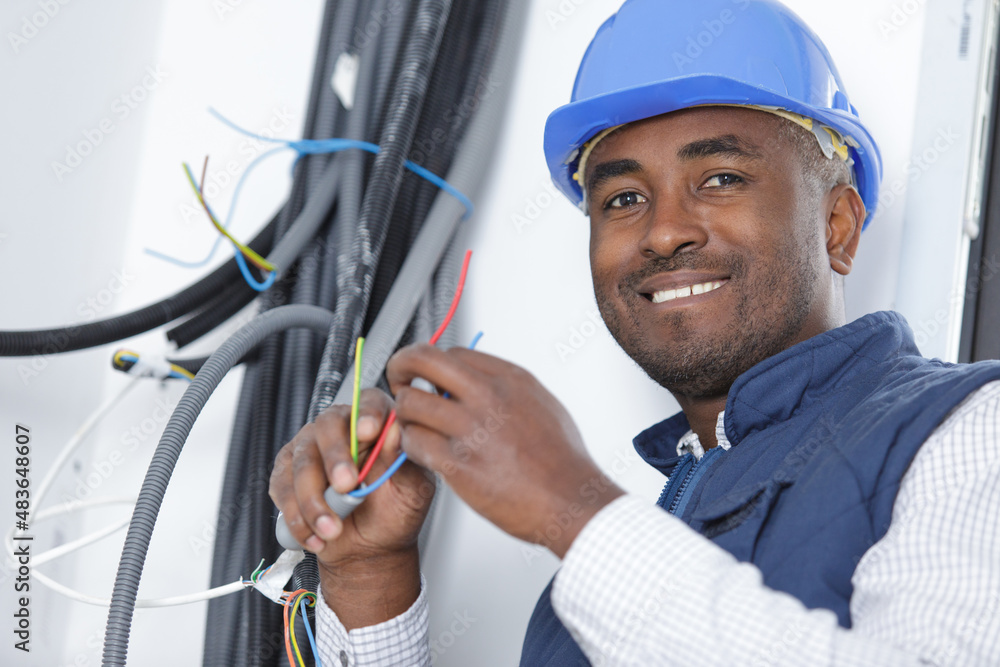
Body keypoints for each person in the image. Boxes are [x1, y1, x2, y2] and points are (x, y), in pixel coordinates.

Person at [269, 0, 1000, 664]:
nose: (664, 232)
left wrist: (573, 509)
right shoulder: (575, 609)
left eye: (720, 178)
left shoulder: (967, 428)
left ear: (837, 226)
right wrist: (370, 576)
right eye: (623, 197)